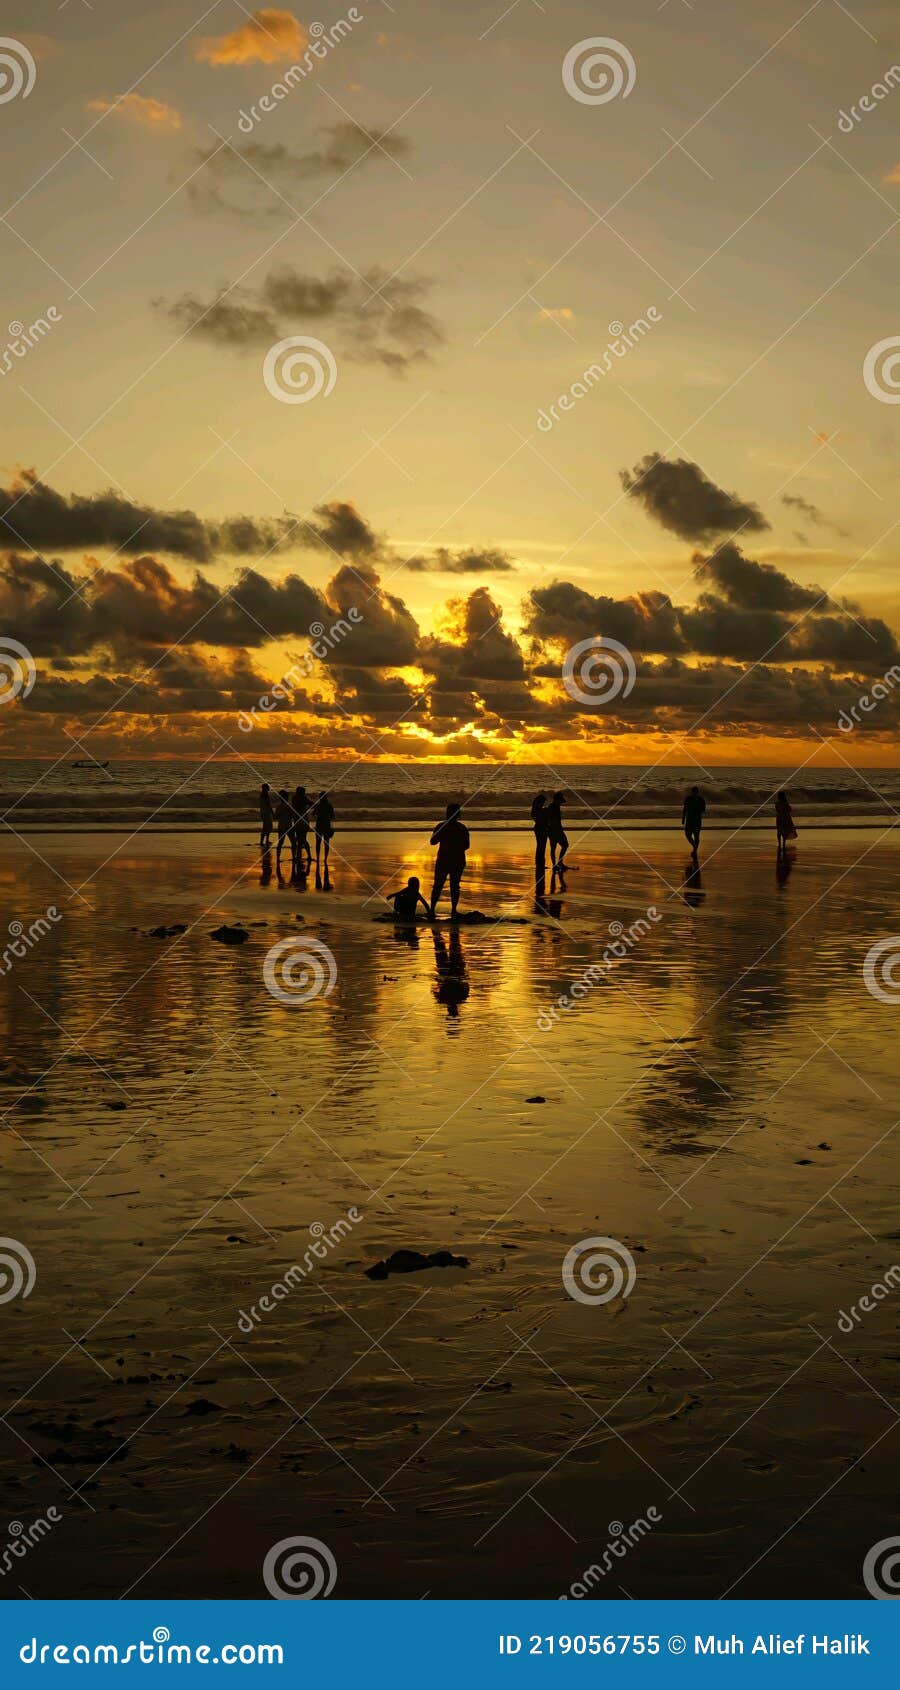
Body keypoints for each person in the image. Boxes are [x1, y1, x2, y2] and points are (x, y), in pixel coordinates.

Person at [429, 802, 470, 919]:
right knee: (454, 886)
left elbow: (433, 841)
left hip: (445, 859)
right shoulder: (462, 828)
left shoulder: (442, 826)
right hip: (455, 859)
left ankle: (433, 910)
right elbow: (467, 845)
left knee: (439, 885)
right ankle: (452, 911)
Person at [291, 785, 312, 875]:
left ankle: (299, 856)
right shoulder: (304, 799)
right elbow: (312, 803)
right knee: (302, 838)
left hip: (297, 821)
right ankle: (307, 855)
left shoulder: (295, 799)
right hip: (303, 821)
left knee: (299, 839)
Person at [545, 791, 569, 869]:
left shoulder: (555, 806)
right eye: (560, 800)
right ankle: (556, 864)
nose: (561, 802)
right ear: (557, 800)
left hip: (556, 830)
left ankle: (557, 863)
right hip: (554, 830)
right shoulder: (552, 807)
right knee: (560, 846)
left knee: (560, 846)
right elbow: (550, 819)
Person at [682, 785, 706, 857]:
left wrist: (698, 810)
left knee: (696, 836)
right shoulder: (688, 799)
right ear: (692, 792)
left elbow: (703, 810)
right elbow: (685, 809)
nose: (694, 793)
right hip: (690, 819)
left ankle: (695, 850)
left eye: (695, 792)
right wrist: (683, 818)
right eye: (693, 792)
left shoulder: (701, 799)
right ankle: (695, 848)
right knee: (688, 835)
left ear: (697, 792)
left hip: (696, 820)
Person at [314, 791, 335, 871]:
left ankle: (318, 858)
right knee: (326, 843)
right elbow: (332, 816)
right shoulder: (329, 805)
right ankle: (325, 859)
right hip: (326, 825)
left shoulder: (318, 806)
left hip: (319, 825)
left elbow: (313, 813)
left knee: (318, 843)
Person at [275, 789, 293, 870]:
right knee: (293, 842)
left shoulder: (279, 806)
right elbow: (292, 815)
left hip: (282, 826)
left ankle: (278, 858)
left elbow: (276, 817)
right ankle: (294, 857)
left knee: (280, 843)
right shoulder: (288, 806)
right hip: (288, 825)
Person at [531, 792, 548, 866]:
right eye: (543, 802)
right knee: (541, 846)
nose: (543, 803)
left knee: (541, 846)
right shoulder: (537, 810)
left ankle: (540, 863)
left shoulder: (536, 809)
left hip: (539, 828)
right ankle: (540, 863)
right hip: (540, 828)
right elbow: (540, 819)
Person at [259, 782, 273, 850]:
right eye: (268, 787)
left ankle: (265, 840)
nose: (269, 788)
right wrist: (272, 812)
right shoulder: (265, 795)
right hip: (266, 813)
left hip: (263, 812)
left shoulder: (262, 795)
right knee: (267, 827)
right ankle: (263, 841)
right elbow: (268, 805)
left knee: (266, 826)